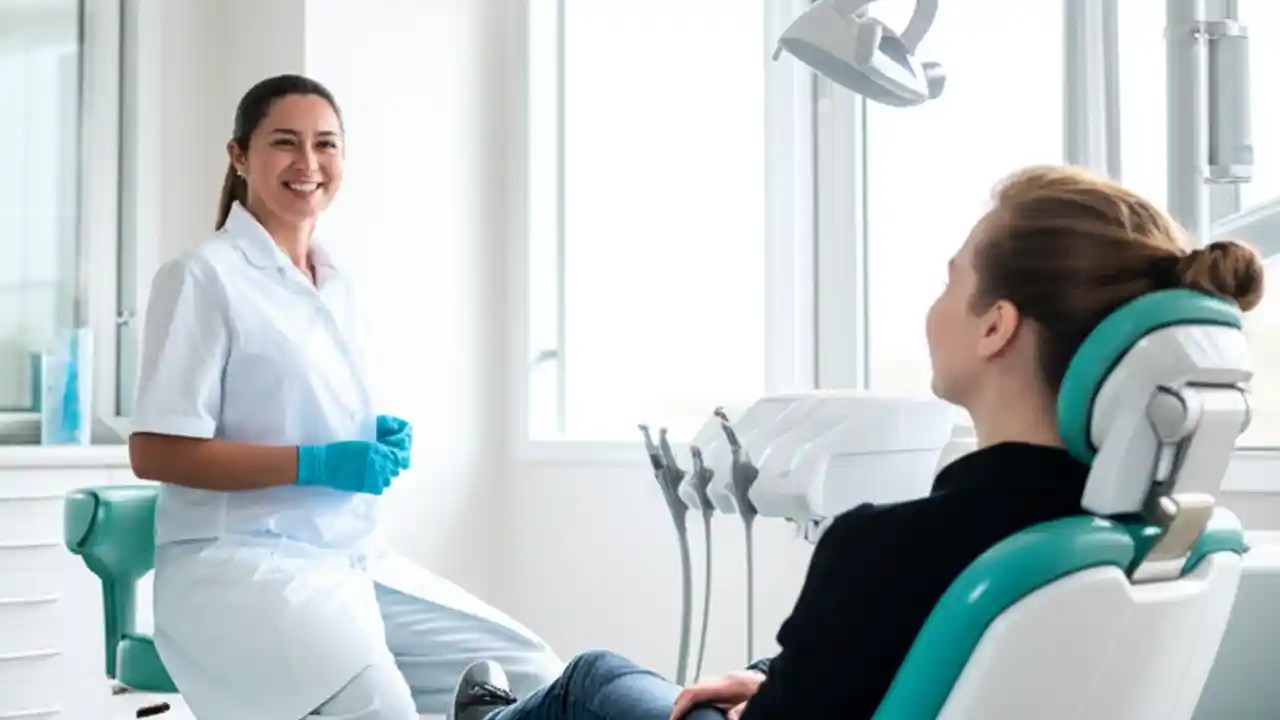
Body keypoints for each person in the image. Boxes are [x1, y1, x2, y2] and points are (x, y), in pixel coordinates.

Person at [447, 164, 1267, 720]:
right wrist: (771, 683)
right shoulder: (1164, 545)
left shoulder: (885, 546)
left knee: (590, 680)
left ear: (996, 325)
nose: (936, 302)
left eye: (953, 277)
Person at [128, 74, 563, 720]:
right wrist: (315, 462)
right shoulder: (202, 277)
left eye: (325, 144)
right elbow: (157, 452)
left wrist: (368, 437)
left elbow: (296, 403)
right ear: (239, 156)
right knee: (377, 704)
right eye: (285, 143)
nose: (308, 163)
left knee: (535, 674)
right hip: (236, 566)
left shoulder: (336, 284)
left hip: (347, 559)